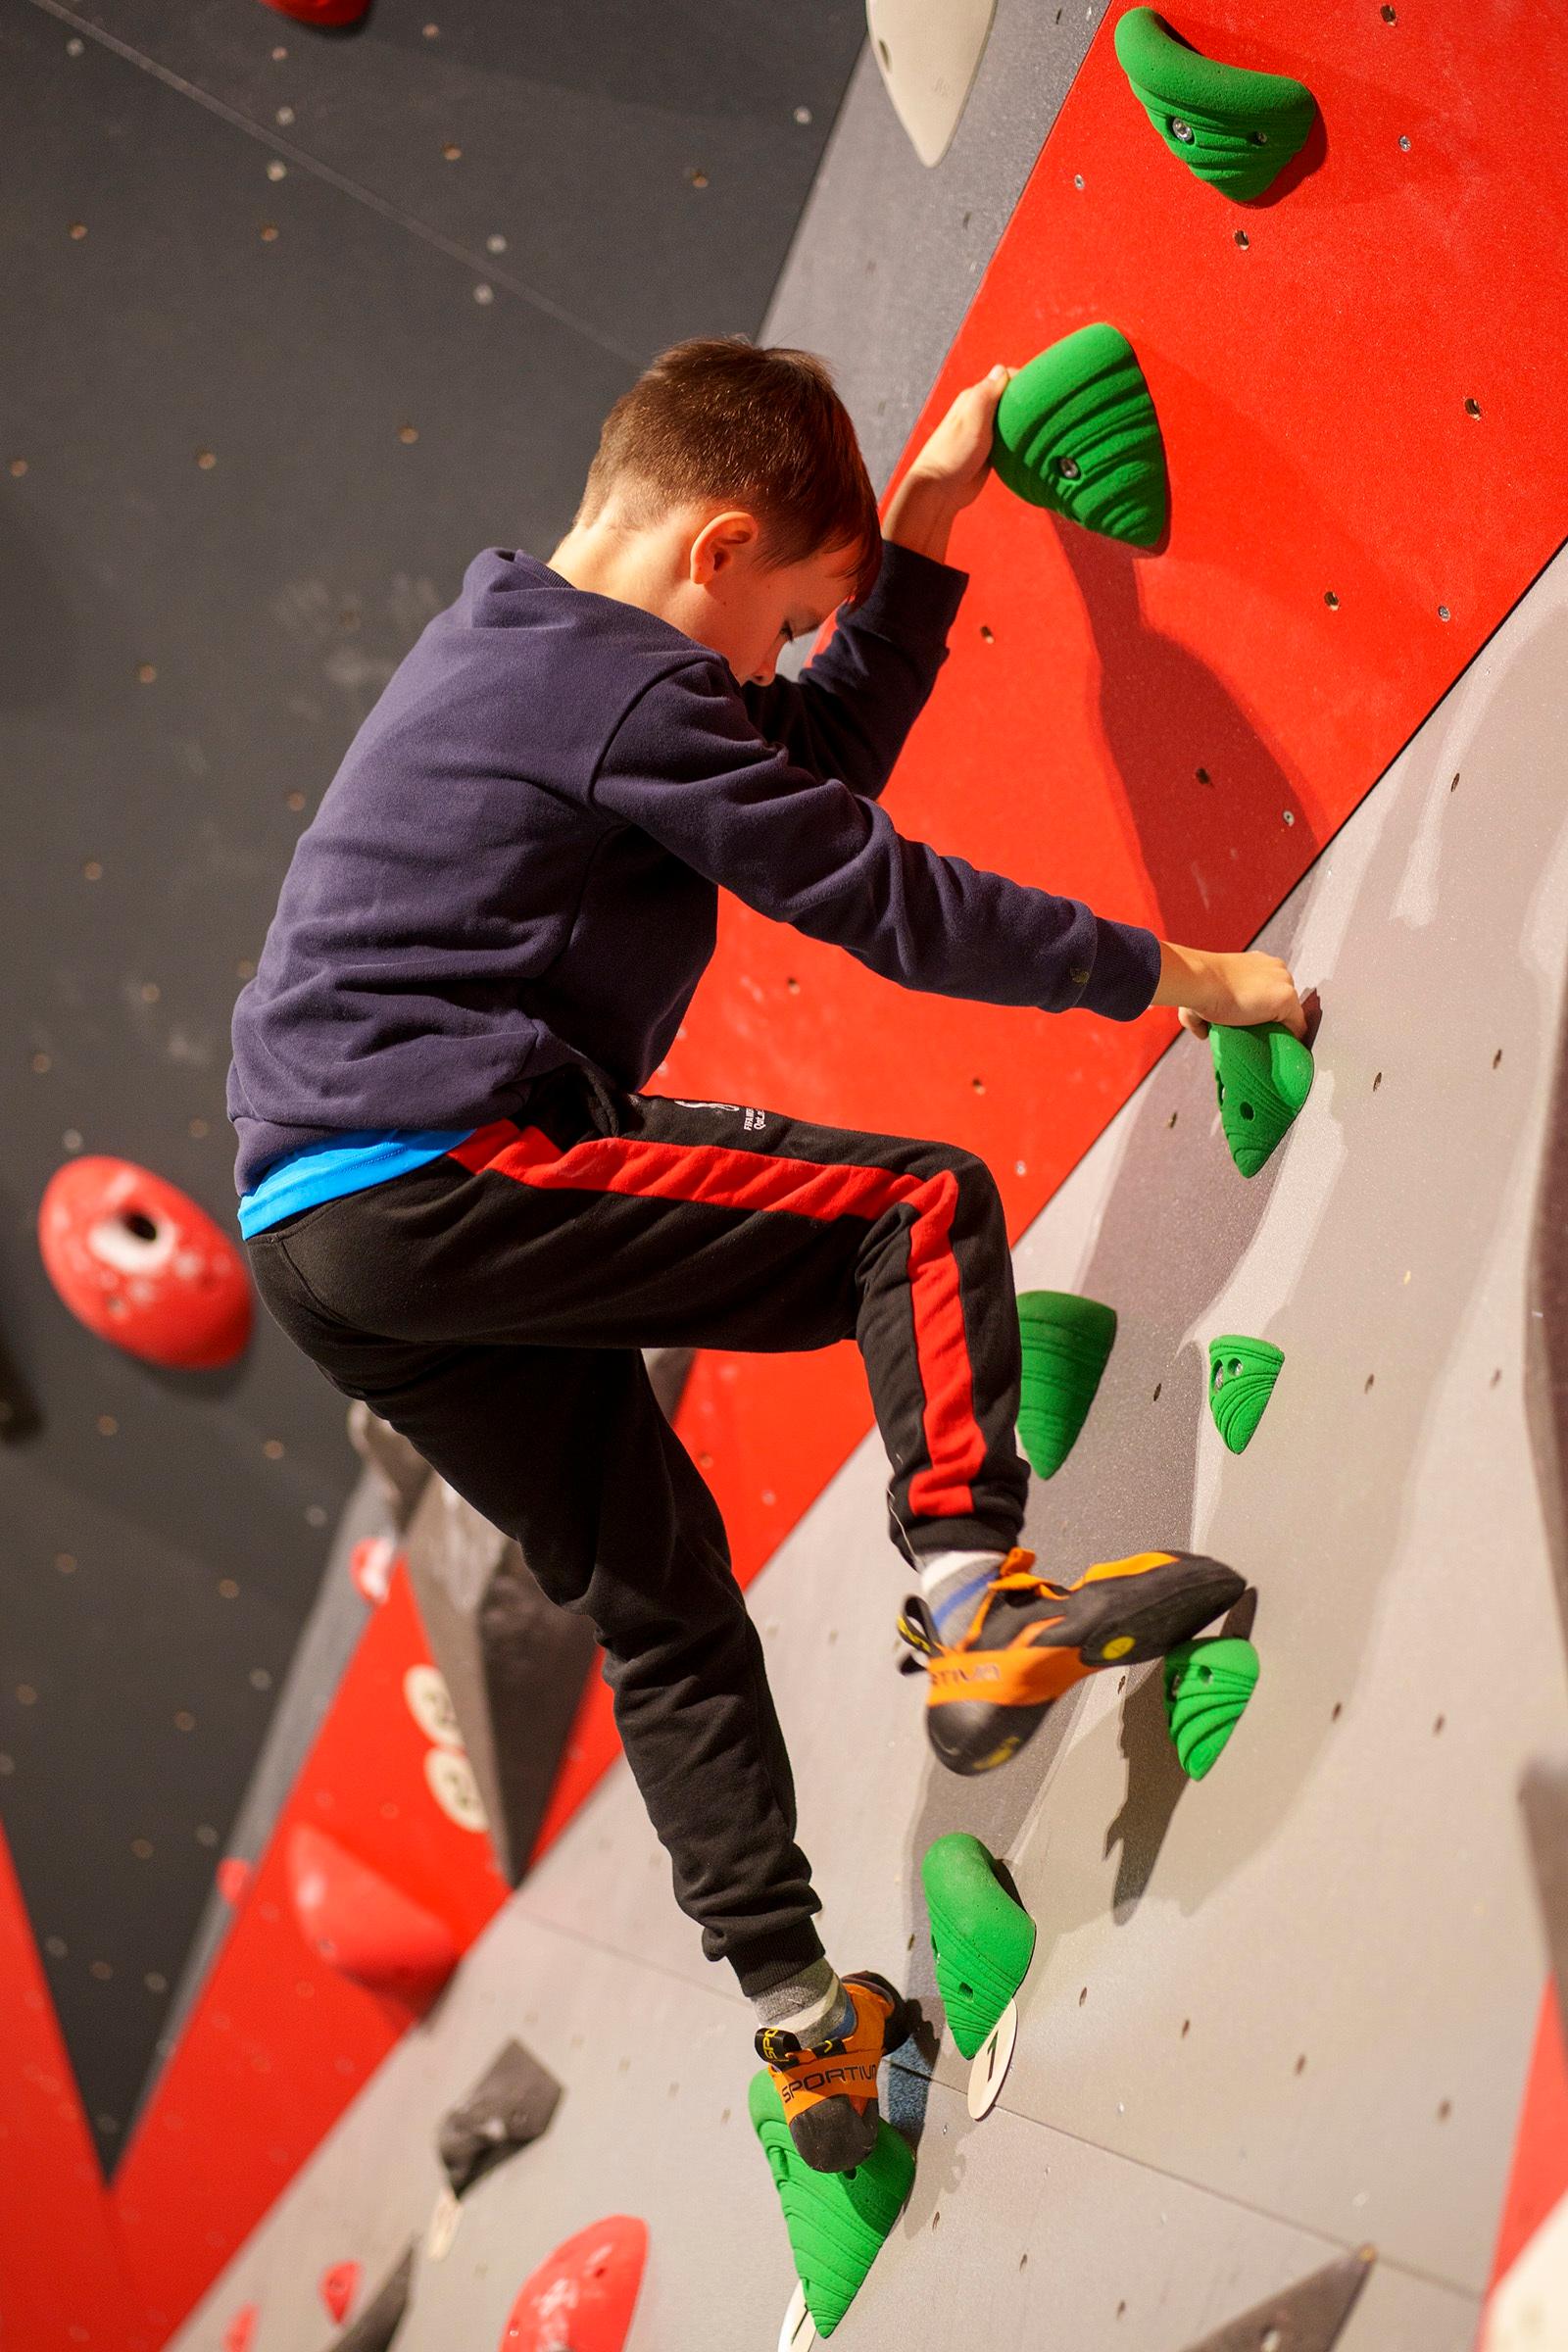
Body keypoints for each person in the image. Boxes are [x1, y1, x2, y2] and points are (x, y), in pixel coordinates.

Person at [228, 337, 1305, 2177]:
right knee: (911, 1207)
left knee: (655, 1598)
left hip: (314, 1235)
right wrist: (1178, 975)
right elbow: (871, 887)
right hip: (442, 1156)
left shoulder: (521, 646)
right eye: (787, 617)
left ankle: (804, 2030)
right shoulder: (629, 698)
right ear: (721, 549)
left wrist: (929, 533)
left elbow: (790, 760)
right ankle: (980, 1608)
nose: (771, 667)